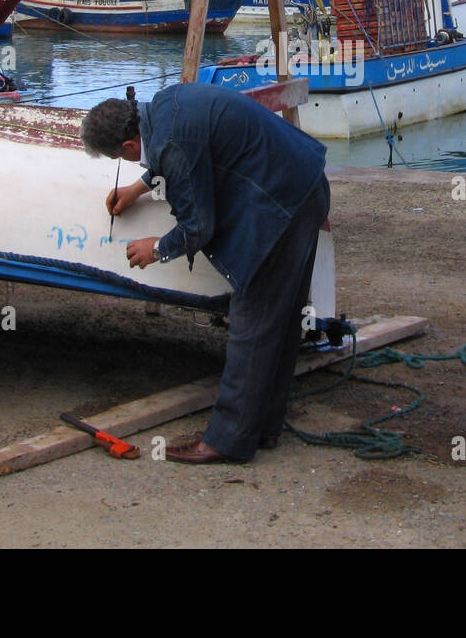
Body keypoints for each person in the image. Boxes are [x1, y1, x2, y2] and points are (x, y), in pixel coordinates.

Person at [82, 83, 330, 463]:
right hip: (302, 180)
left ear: (130, 147)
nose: (131, 163)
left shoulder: (170, 145)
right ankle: (263, 427)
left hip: (283, 202)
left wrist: (157, 249)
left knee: (252, 324)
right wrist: (139, 187)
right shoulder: (163, 104)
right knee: (279, 322)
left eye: (124, 159)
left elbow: (198, 228)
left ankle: (227, 442)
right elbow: (188, 149)